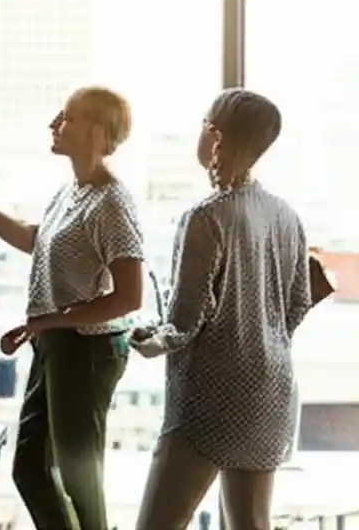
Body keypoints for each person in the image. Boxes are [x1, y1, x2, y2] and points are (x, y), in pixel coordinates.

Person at [0, 85, 145, 530]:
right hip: (57, 344)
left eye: (67, 117)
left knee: (80, 479)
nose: (55, 124)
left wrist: (49, 320)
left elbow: (128, 298)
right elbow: (32, 238)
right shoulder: (73, 192)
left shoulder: (112, 203)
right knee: (30, 469)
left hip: (87, 350)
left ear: (96, 132)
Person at [131, 90, 313, 529]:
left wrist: (149, 339)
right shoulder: (286, 216)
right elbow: (299, 302)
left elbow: (185, 321)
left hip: (210, 398)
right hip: (270, 390)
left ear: (214, 136)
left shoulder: (206, 217)